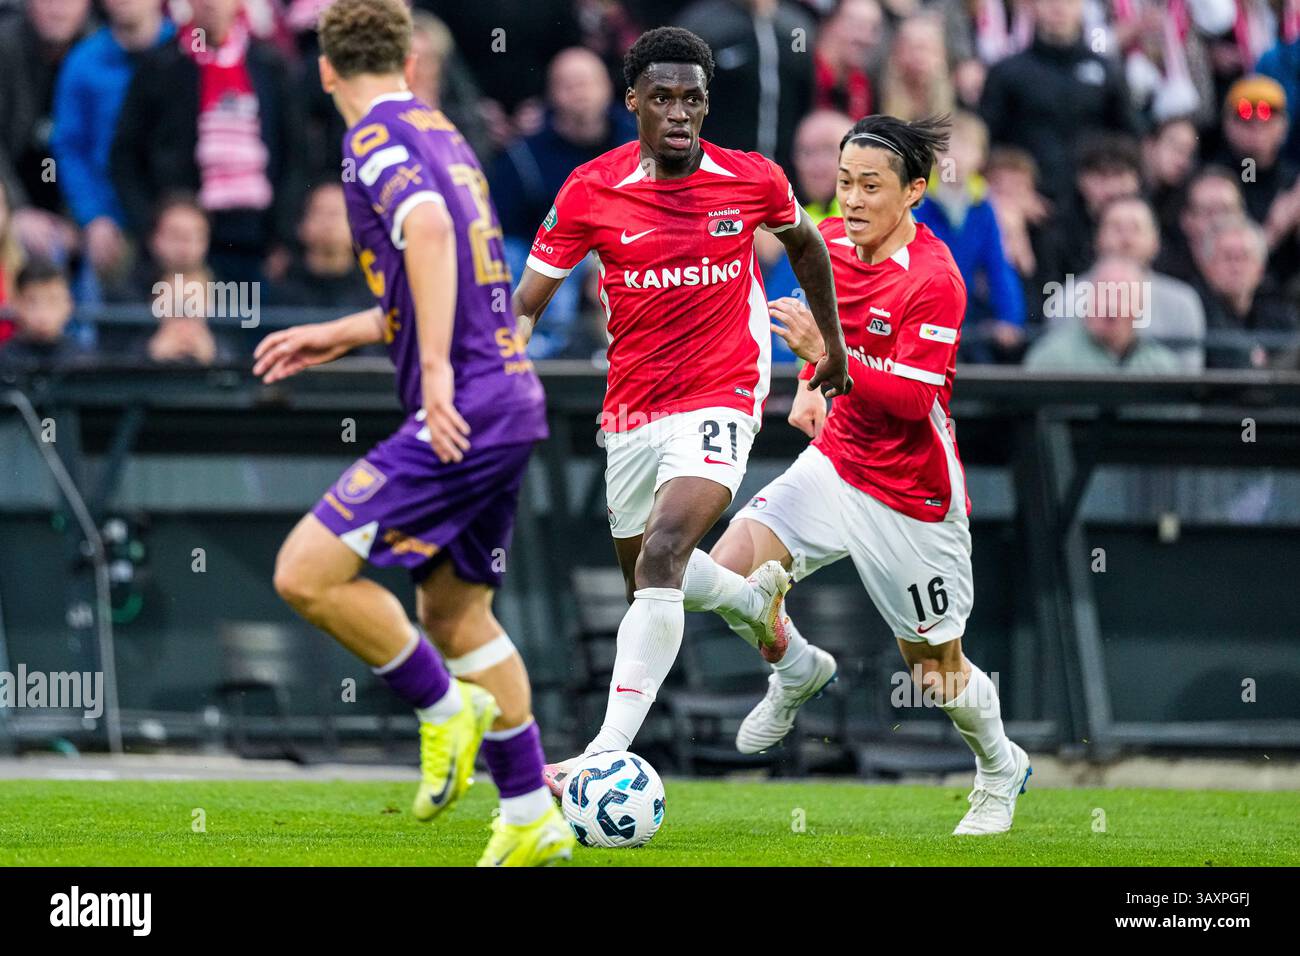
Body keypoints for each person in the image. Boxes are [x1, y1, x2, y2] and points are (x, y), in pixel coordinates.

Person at [254, 0, 569, 867]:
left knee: (306, 574)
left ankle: (441, 708)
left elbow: (426, 231)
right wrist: (349, 331)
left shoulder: (371, 143)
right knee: (458, 612)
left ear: (326, 69)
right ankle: (532, 812)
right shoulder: (446, 134)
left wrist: (430, 370)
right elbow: (449, 265)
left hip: (463, 403)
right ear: (411, 61)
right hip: (510, 399)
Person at [512, 26, 851, 793]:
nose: (677, 113)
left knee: (666, 552)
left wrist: (828, 347)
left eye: (691, 98)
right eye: (660, 97)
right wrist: (504, 355)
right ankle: (782, 642)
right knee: (653, 582)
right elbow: (527, 302)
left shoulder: (752, 178)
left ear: (707, 103)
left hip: (724, 386)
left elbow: (806, 247)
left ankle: (603, 754)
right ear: (631, 101)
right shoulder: (590, 189)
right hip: (631, 403)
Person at [687, 114, 1032, 836]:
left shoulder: (936, 280)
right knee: (721, 574)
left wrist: (825, 360)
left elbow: (910, 401)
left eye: (870, 186)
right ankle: (796, 666)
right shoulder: (827, 242)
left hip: (911, 496)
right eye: (844, 181)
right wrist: (812, 383)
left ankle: (999, 768)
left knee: (935, 671)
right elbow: (810, 322)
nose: (851, 198)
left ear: (913, 192)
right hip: (837, 462)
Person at [111, 0, 304, 284]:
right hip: (180, 248)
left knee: (251, 323)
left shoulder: (269, 66)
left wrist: (284, 236)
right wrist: (149, 228)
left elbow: (296, 153)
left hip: (258, 242)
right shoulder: (161, 66)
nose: (211, 4)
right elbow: (125, 155)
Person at [51, 0, 176, 284]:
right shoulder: (83, 62)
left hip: (177, 219)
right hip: (113, 221)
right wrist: (93, 217)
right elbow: (69, 147)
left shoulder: (186, 51)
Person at [979, 0, 1138, 203]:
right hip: (1027, 202)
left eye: (1068, 2)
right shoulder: (1006, 73)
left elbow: (1128, 138)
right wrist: (1014, 192)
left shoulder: (1107, 72)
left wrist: (1109, 184)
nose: (1058, 8)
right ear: (1033, 6)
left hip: (1094, 204)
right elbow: (986, 141)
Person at [914, 109, 1025, 362]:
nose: (954, 156)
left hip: (967, 319)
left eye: (965, 147)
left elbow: (998, 267)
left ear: (980, 157)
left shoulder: (983, 208)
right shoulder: (917, 204)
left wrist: (1010, 319)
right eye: (945, 147)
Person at [674, 0, 816, 173]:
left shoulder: (797, 27)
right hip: (717, 173)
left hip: (782, 176)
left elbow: (808, 99)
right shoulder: (701, 25)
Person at [1090, 195, 1206, 371]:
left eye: (1136, 229)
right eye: (1116, 228)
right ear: (1098, 238)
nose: (1126, 239)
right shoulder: (1071, 297)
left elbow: (1189, 376)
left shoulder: (1182, 301)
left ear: (1155, 241)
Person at [1026, 255, 1183, 372]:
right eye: (1102, 294)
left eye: (1121, 296)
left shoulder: (1162, 366)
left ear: (1139, 307)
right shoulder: (1051, 359)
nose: (1109, 305)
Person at [1192, 215, 1300, 368]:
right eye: (1227, 257)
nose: (1236, 267)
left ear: (1260, 269)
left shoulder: (1277, 308)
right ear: (1207, 266)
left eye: (1244, 257)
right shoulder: (1193, 306)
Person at [268, 183, 373, 310]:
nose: (327, 223)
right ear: (301, 224)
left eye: (336, 213)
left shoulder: (374, 296)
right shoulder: (276, 297)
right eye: (318, 212)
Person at [0, 257, 87, 369]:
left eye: (53, 301)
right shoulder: (4, 360)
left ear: (68, 305)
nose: (43, 313)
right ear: (16, 304)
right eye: (32, 302)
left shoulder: (83, 363)